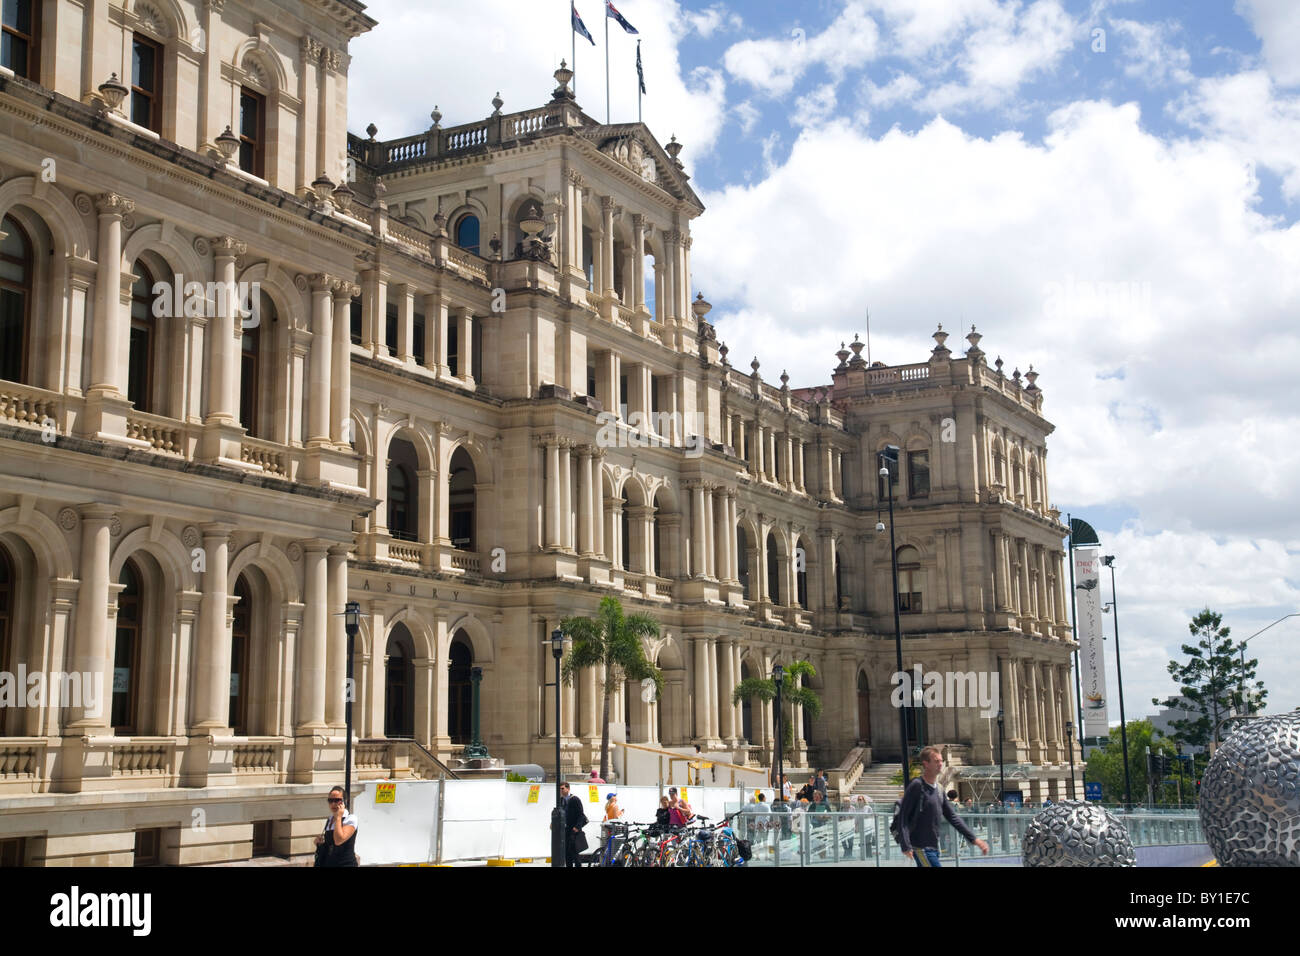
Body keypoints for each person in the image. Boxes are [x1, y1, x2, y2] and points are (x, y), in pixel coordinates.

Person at [897, 746, 989, 868]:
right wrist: (905, 845)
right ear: (926, 764)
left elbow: (952, 817)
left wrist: (974, 839)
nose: (940, 764)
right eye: (936, 761)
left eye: (941, 761)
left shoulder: (939, 789)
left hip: (934, 847)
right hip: (920, 847)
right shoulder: (917, 786)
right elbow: (902, 817)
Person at [314, 785, 358, 867]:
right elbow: (330, 845)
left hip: (345, 863)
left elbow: (338, 841)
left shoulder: (350, 819)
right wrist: (320, 843)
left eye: (337, 800)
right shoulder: (330, 819)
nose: (333, 804)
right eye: (330, 801)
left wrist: (338, 817)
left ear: (345, 801)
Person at [559, 782, 588, 867]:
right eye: (560, 789)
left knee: (574, 851)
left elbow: (581, 814)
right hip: (565, 830)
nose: (561, 790)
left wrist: (577, 827)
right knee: (567, 852)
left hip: (574, 830)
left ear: (568, 788)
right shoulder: (561, 800)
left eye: (562, 788)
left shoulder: (575, 799)